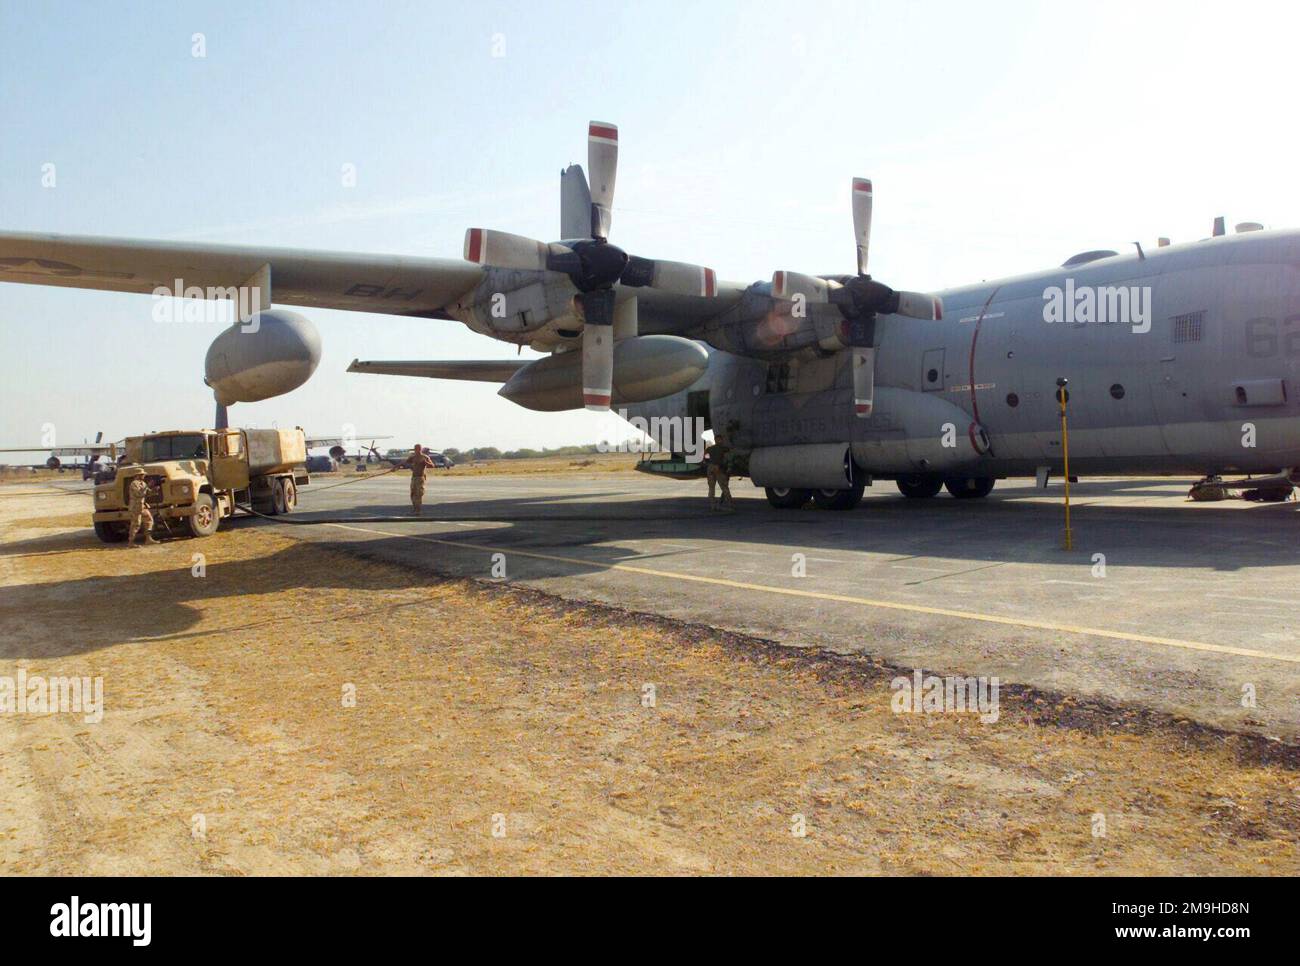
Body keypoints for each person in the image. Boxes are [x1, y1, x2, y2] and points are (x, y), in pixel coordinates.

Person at [125, 469, 157, 546]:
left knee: (149, 520)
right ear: (138, 475)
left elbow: (147, 493)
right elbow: (138, 493)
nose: (144, 476)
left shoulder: (143, 483)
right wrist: (147, 486)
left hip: (142, 506)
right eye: (142, 474)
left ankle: (148, 538)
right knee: (136, 524)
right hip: (135, 506)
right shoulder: (134, 484)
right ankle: (131, 542)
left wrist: (154, 490)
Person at [403, 444, 436, 514]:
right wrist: (396, 467)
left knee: (419, 494)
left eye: (418, 448)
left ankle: (418, 510)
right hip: (414, 477)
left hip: (420, 477)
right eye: (415, 449)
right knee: (413, 494)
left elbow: (432, 465)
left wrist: (425, 463)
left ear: (421, 449)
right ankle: (415, 509)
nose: (417, 450)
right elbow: (404, 463)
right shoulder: (412, 457)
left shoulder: (424, 457)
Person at [705, 435, 734, 511]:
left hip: (710, 468)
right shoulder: (724, 449)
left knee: (711, 488)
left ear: (714, 440)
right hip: (719, 468)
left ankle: (712, 506)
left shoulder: (710, 448)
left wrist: (708, 463)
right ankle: (730, 505)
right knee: (724, 487)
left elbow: (703, 457)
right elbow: (730, 456)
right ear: (721, 440)